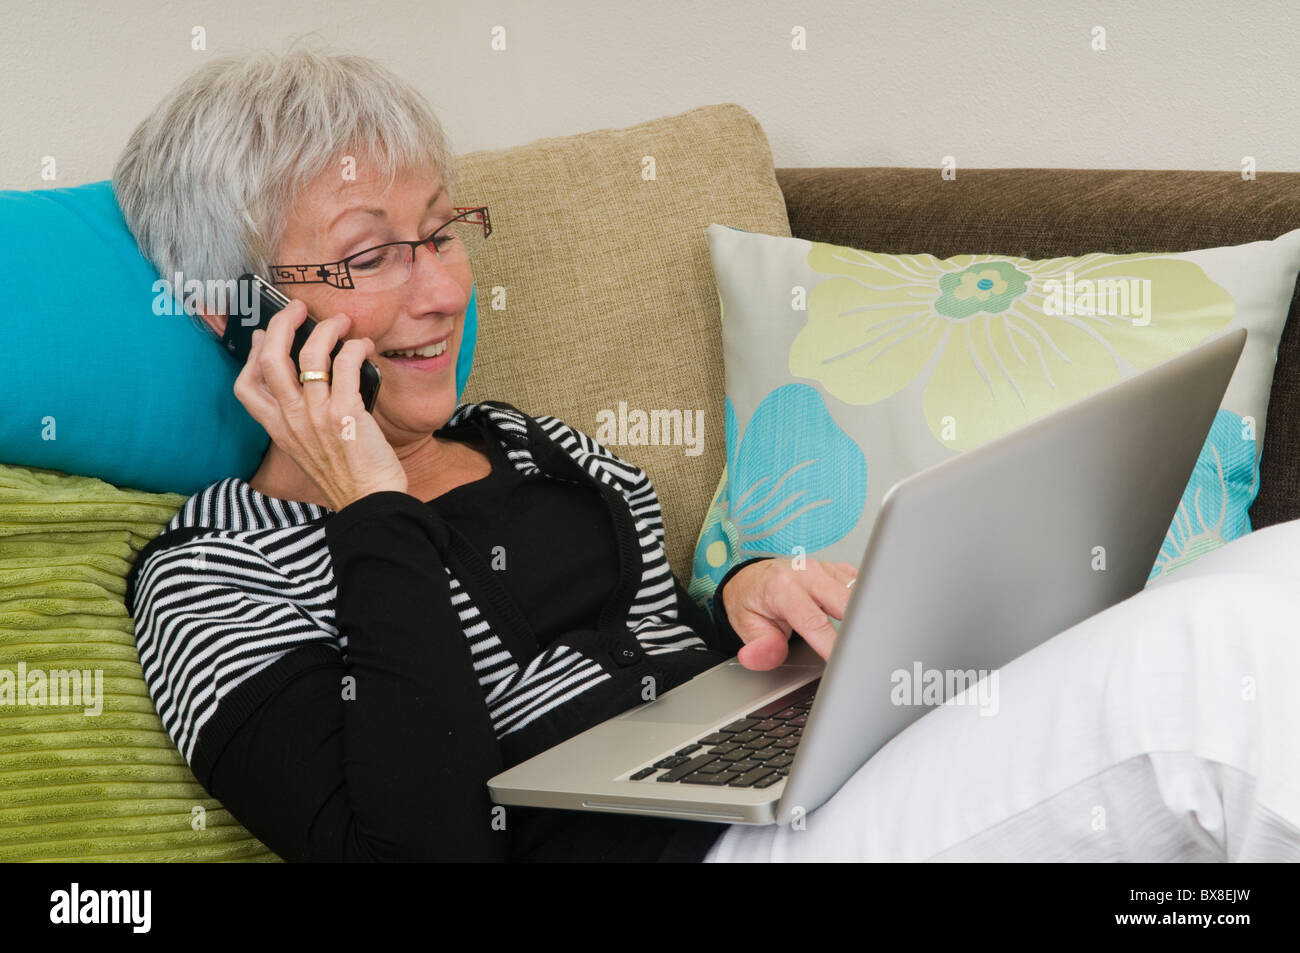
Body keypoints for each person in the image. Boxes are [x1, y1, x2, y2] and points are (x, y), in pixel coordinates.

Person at [120, 44, 1300, 863]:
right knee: (1207, 667)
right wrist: (372, 508)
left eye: (440, 232)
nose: (438, 292)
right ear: (236, 309)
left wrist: (745, 599)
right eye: (371, 255)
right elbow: (415, 846)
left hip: (797, 790)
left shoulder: (529, 445)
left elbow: (649, 665)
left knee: (1276, 569)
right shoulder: (212, 574)